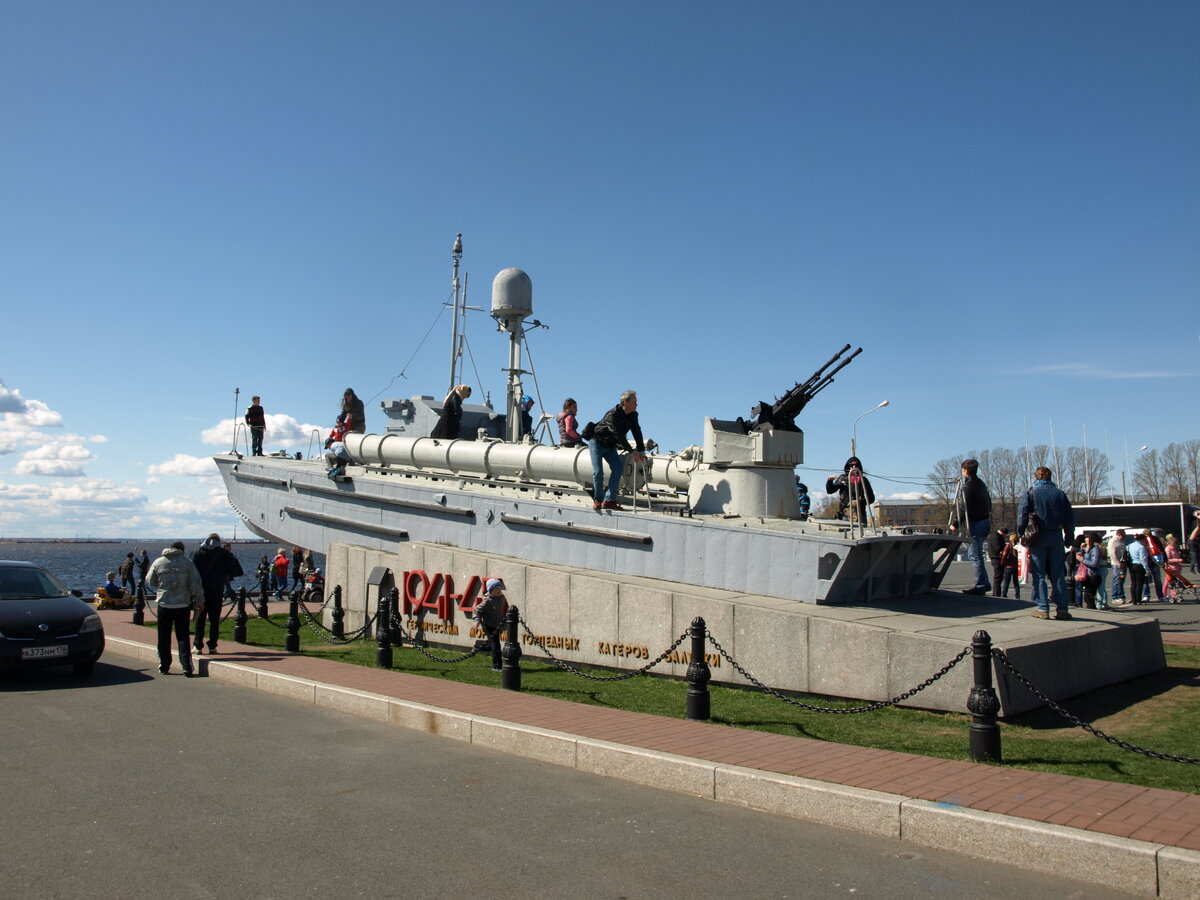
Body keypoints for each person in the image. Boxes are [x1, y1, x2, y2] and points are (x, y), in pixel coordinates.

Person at [1017, 466, 1075, 620]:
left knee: (1039, 574)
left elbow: (1022, 514)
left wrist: (1021, 533)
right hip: (1056, 535)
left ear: (1036, 477)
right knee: (1058, 575)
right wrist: (1069, 538)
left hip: (1038, 536)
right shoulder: (1060, 494)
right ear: (1050, 477)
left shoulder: (1031, 492)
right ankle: (1062, 609)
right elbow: (1069, 518)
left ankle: (1043, 608)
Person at [146, 541, 204, 676]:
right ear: (182, 550)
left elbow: (150, 581)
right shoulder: (187, 563)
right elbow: (196, 584)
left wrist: (162, 587)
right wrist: (200, 601)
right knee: (183, 636)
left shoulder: (159, 562)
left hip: (164, 604)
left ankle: (164, 665)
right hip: (183, 604)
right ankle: (186, 666)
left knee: (163, 636)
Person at [590, 390, 646, 511]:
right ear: (625, 402)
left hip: (610, 446)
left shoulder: (633, 415)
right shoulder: (613, 414)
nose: (637, 404)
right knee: (598, 472)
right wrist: (632, 452)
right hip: (597, 443)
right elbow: (617, 434)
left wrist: (641, 450)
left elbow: (637, 432)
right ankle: (598, 500)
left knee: (618, 469)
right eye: (634, 402)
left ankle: (609, 501)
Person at [191, 533, 243, 655]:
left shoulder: (198, 552)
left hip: (201, 590)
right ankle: (212, 646)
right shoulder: (224, 553)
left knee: (200, 619)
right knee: (215, 620)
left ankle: (198, 645)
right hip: (217, 589)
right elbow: (234, 570)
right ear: (219, 541)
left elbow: (192, 570)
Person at [950, 459, 992, 595]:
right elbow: (989, 502)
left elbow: (964, 507)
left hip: (975, 523)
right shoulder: (981, 484)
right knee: (975, 553)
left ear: (965, 471)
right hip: (984, 521)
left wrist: (956, 523)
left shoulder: (968, 487)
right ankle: (984, 582)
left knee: (975, 555)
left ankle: (980, 585)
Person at [825, 456, 875, 524]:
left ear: (859, 466)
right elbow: (830, 490)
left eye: (856, 465)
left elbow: (871, 498)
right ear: (848, 467)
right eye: (851, 465)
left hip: (860, 514)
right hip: (845, 514)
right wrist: (829, 481)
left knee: (861, 533)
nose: (854, 467)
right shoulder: (843, 478)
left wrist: (860, 502)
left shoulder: (864, 480)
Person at [474, 578, 507, 671]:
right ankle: (497, 667)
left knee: (493, 643)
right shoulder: (487, 601)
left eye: (499, 588)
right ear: (491, 590)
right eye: (496, 589)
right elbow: (476, 610)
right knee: (496, 645)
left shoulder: (501, 597)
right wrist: (476, 621)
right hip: (489, 626)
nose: (499, 590)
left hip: (497, 624)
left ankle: (478, 645)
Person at [1163, 534, 1195, 602]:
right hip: (1170, 568)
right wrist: (1178, 560)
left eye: (1175, 542)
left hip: (1177, 568)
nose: (1174, 544)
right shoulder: (1167, 549)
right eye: (1173, 542)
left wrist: (1179, 562)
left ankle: (1172, 594)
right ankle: (1167, 594)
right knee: (1170, 582)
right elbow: (1167, 560)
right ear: (1169, 542)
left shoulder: (1175, 549)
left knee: (1174, 582)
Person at [1075, 533, 1102, 610]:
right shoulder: (1090, 549)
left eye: (1087, 539)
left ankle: (1092, 610)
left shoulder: (1095, 549)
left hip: (1094, 575)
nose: (1085, 541)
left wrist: (1083, 560)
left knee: (1088, 596)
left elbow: (1094, 563)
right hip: (1088, 575)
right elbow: (1081, 555)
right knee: (1087, 596)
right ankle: (1091, 608)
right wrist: (1082, 549)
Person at [1126, 531, 1150, 606]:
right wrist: (1146, 568)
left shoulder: (1129, 546)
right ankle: (1138, 599)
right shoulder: (1141, 547)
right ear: (1142, 539)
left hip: (1131, 565)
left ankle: (1134, 600)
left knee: (1133, 583)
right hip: (1139, 565)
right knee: (1139, 583)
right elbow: (1143, 559)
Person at [1143, 530, 1166, 602]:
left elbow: (1161, 549)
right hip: (1150, 562)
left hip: (1151, 562)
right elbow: (1162, 549)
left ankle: (1151, 596)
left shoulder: (1154, 539)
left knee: (1152, 580)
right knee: (1150, 580)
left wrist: (1165, 560)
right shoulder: (1145, 540)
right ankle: (1149, 595)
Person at [1107, 529, 1128, 605]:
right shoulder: (1113, 541)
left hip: (1123, 562)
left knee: (1121, 580)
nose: (1123, 537)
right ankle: (1115, 597)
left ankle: (1121, 596)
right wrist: (1117, 562)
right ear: (1118, 534)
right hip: (1117, 564)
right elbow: (1112, 554)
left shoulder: (1122, 541)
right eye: (1122, 536)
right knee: (1117, 580)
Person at [986, 527, 1008, 597]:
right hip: (996, 558)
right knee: (998, 576)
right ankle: (996, 593)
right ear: (1003, 532)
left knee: (998, 576)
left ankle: (996, 592)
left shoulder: (994, 535)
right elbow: (998, 548)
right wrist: (1005, 549)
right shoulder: (996, 537)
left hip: (995, 557)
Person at [998, 533, 1021, 599]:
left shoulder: (1008, 546)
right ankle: (1017, 595)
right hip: (1016, 566)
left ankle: (1004, 594)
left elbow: (1004, 555)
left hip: (1008, 567)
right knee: (1016, 582)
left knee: (1007, 582)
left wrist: (1002, 564)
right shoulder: (1018, 546)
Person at [1189, 511, 1200, 575]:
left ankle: (1198, 570)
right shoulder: (1195, 524)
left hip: (1197, 543)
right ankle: (1192, 570)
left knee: (1198, 558)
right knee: (1194, 557)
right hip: (1193, 543)